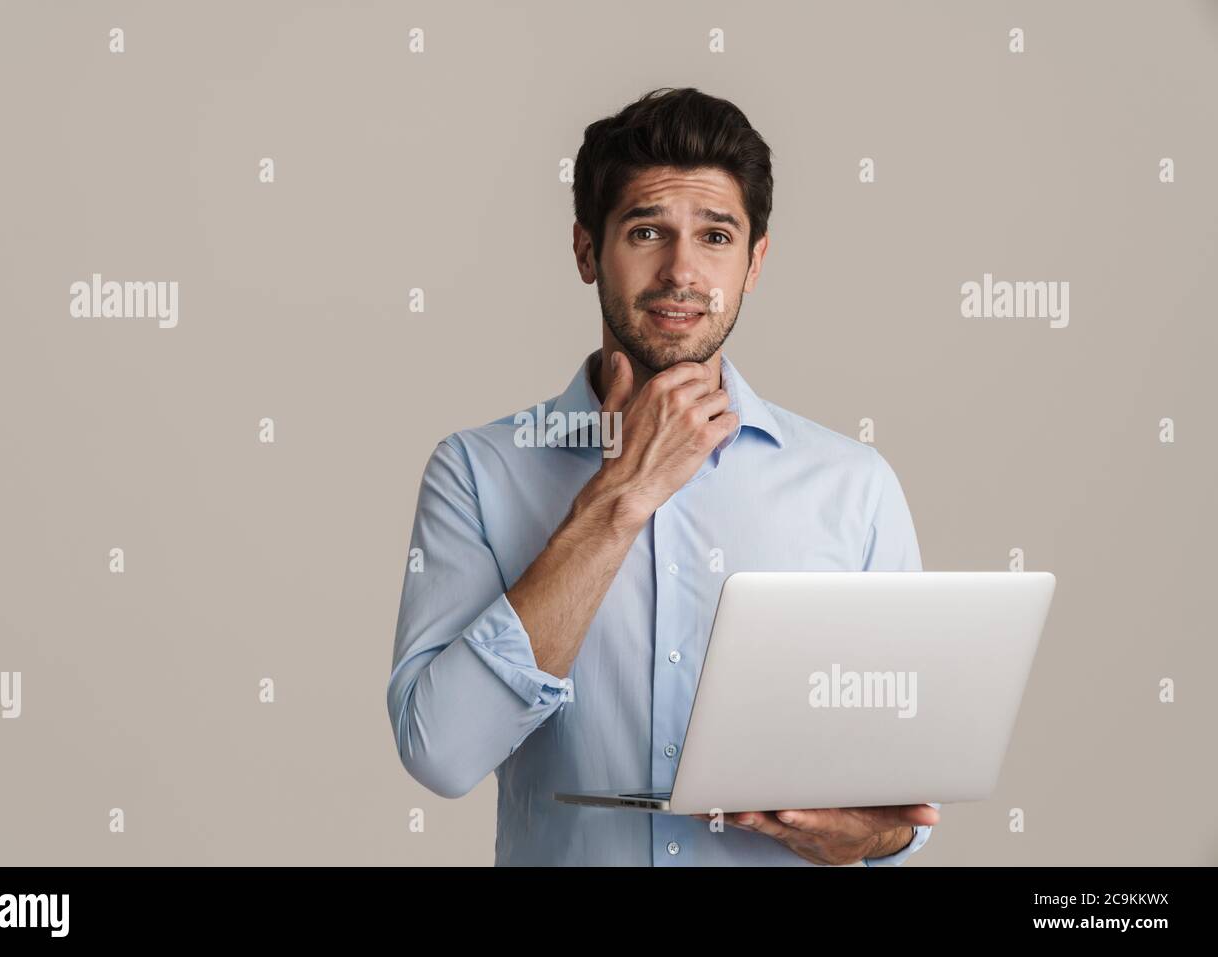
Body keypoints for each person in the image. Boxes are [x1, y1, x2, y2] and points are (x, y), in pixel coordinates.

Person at [387, 87, 940, 865]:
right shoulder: (477, 472)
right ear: (587, 250)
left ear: (755, 263)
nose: (683, 271)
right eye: (647, 231)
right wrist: (622, 496)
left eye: (716, 235)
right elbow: (441, 751)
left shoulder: (852, 485)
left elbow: (902, 796)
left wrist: (880, 837)